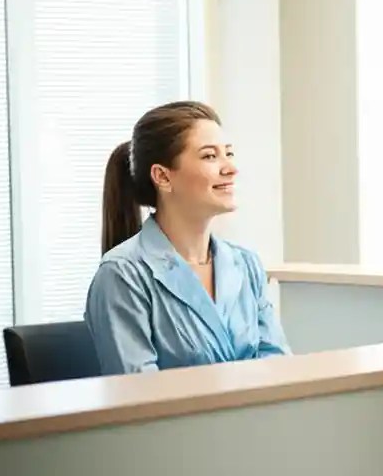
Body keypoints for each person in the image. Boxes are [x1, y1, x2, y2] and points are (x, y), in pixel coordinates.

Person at [85, 100, 290, 374]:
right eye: (209, 156)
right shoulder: (123, 275)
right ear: (162, 176)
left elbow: (278, 367)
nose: (230, 168)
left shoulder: (246, 263)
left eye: (228, 153)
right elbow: (140, 398)